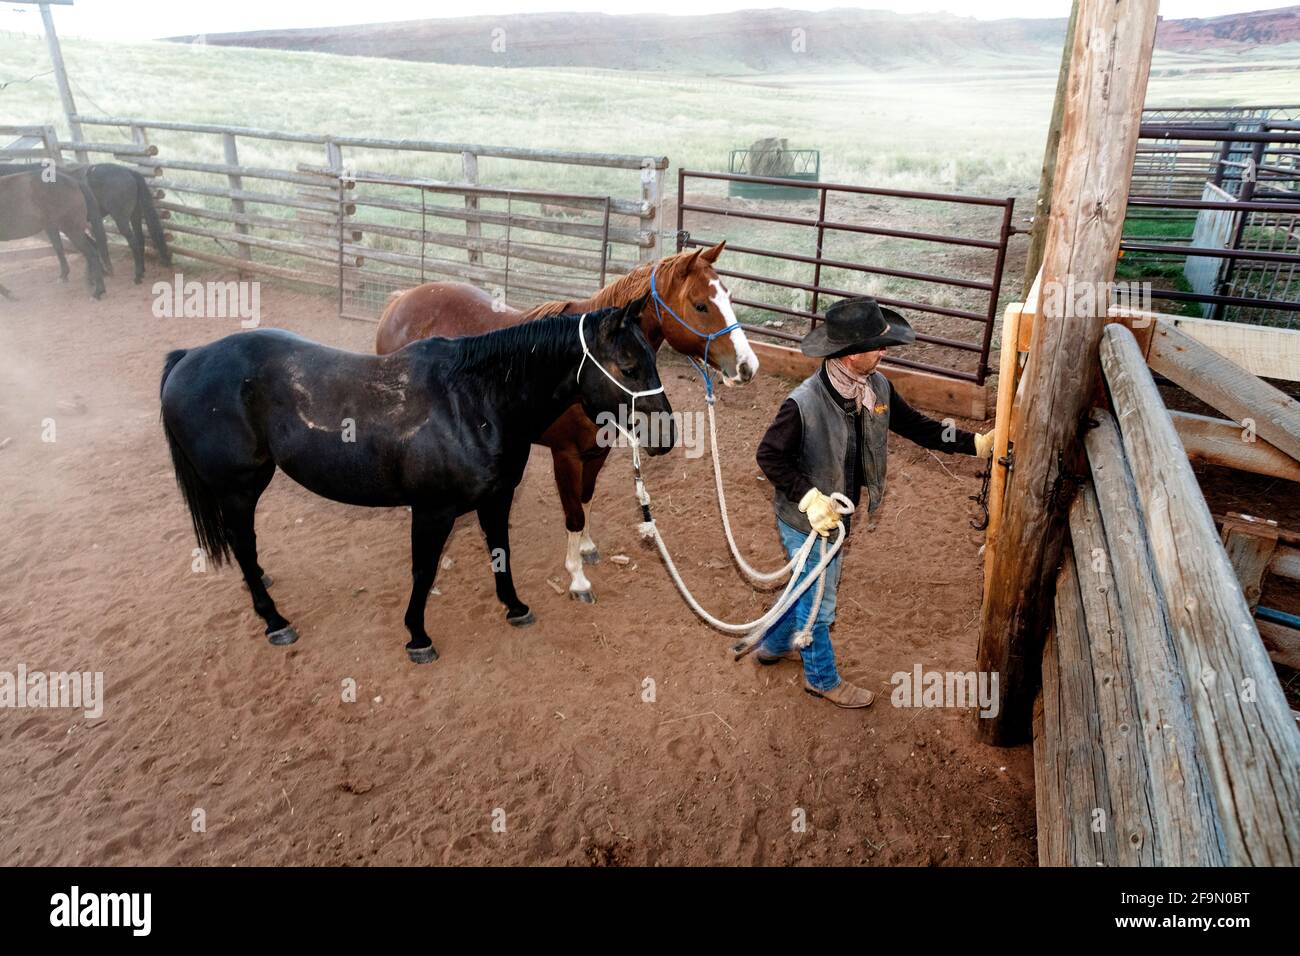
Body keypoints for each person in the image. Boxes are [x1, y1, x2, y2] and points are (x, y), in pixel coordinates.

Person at [755, 297, 993, 709]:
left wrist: (973, 443)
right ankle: (822, 679)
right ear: (849, 356)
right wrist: (810, 498)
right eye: (877, 345)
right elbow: (769, 456)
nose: (885, 351)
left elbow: (917, 426)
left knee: (805, 592)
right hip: (804, 520)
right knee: (820, 603)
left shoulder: (876, 388)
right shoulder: (803, 402)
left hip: (836, 517)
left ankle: (773, 646)